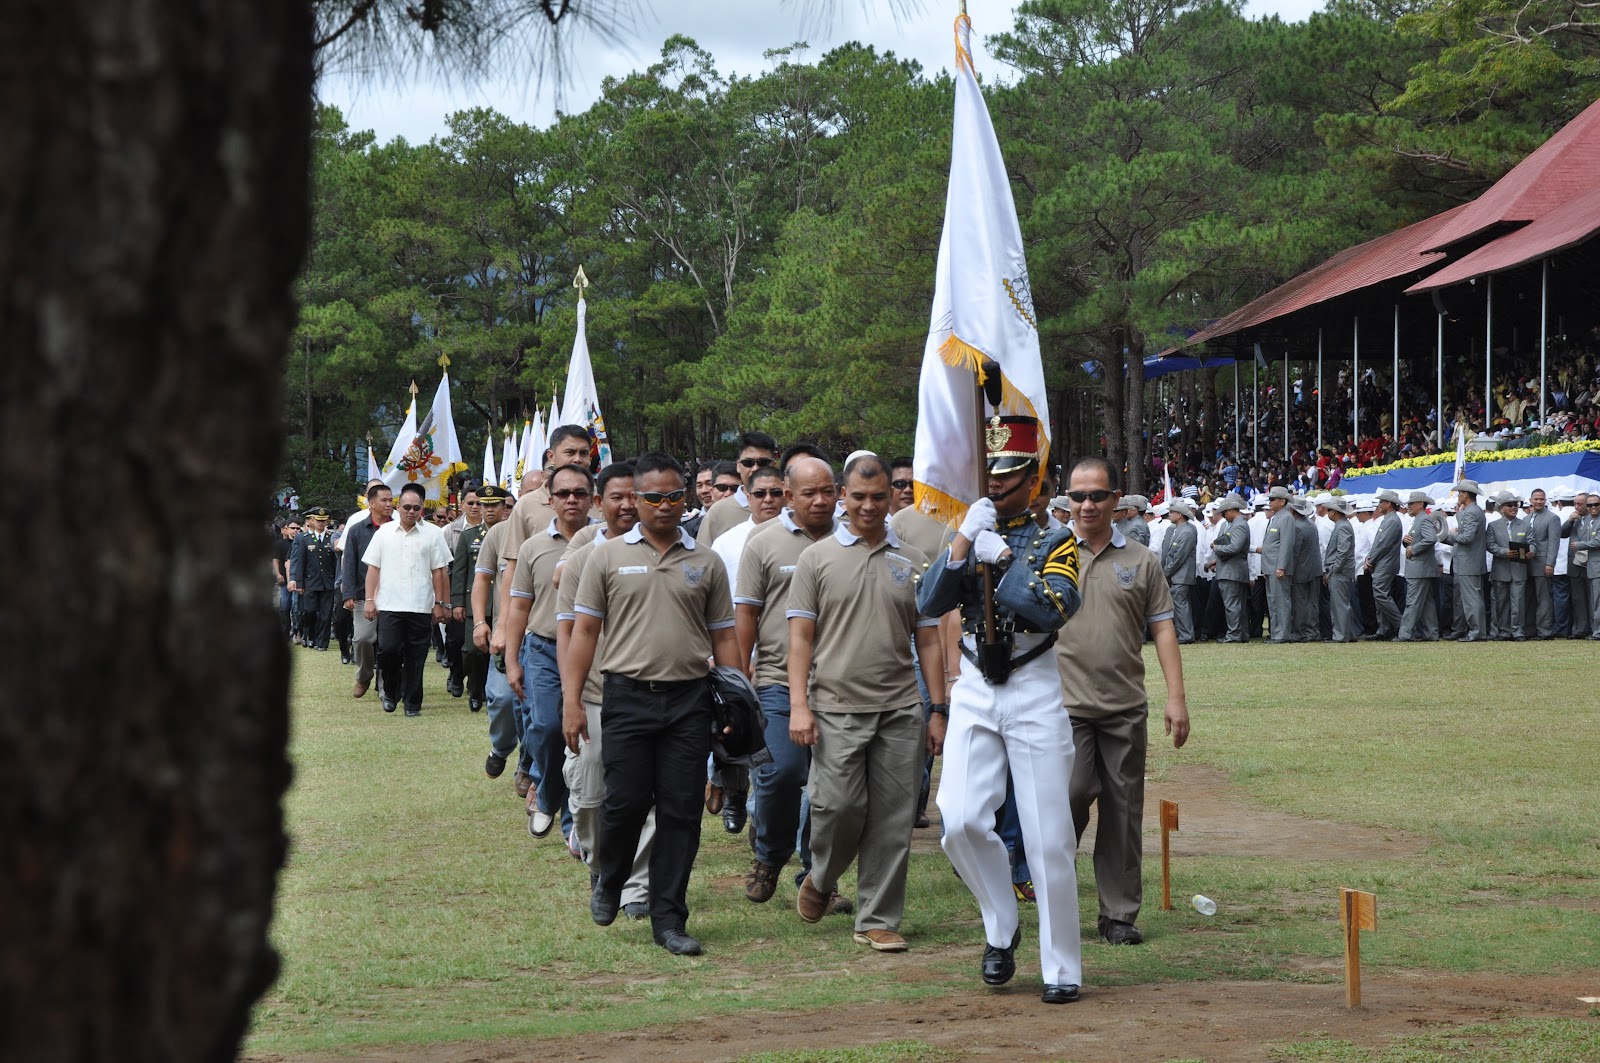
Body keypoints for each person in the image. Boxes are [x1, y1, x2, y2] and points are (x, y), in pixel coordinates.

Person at [914, 416, 1085, 1004]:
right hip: (976, 685)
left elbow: (1055, 606)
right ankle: (1000, 924)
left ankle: (1061, 966)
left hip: (1033, 683)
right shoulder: (970, 527)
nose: (995, 489)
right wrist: (963, 544)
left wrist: (1006, 557)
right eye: (989, 478)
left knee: (1047, 837)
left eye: (1009, 480)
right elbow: (928, 601)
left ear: (1033, 484)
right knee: (957, 819)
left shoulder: (1055, 539)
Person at [567, 453, 741, 956]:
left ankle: (669, 918)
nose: (663, 506)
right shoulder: (606, 556)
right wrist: (572, 702)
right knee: (622, 803)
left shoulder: (705, 561)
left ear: (684, 497)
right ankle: (610, 877)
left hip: (689, 700)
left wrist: (735, 701)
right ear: (633, 500)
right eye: (652, 497)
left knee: (681, 812)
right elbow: (584, 633)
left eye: (672, 496)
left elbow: (724, 636)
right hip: (625, 697)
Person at [787, 454, 944, 955]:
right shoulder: (817, 559)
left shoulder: (914, 560)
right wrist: (799, 705)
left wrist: (937, 708)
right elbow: (799, 642)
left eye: (879, 497)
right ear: (840, 496)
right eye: (858, 497)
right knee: (836, 806)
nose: (869, 506)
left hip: (901, 708)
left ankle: (877, 918)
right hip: (834, 706)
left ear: (893, 497)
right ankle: (822, 876)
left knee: (894, 818)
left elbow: (930, 642)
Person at [1059, 456, 1189, 950]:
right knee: (1068, 797)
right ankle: (1051, 891)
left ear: (1117, 500)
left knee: (1122, 808)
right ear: (1066, 499)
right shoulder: (1049, 553)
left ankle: (1117, 914)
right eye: (1078, 496)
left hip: (1123, 705)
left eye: (1097, 495)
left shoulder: (1140, 560)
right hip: (1063, 706)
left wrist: (1176, 698)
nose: (1087, 505)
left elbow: (1162, 628)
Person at [735, 454, 851, 910]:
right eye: (809, 493)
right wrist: (737, 670)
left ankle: (817, 874)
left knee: (829, 787)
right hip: (777, 680)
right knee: (779, 773)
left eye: (828, 492)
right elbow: (747, 612)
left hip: (841, 683)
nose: (820, 501)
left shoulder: (852, 538)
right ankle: (769, 854)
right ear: (788, 495)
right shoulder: (763, 542)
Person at [556, 461, 655, 922]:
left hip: (653, 696)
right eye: (618, 496)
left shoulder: (670, 555)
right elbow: (568, 634)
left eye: (638, 495)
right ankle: (601, 867)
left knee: (647, 795)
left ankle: (637, 886)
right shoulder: (580, 562)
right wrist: (570, 701)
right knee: (591, 793)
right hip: (596, 694)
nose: (629, 505)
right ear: (601, 503)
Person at [505, 463, 596, 840]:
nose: (571, 500)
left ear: (593, 498)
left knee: (583, 735)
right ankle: (547, 794)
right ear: (550, 499)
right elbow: (519, 607)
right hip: (543, 648)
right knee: (544, 726)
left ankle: (570, 817)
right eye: (563, 494)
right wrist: (512, 660)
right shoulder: (533, 547)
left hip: (592, 651)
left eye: (580, 493)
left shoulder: (605, 542)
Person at [362, 482, 453, 716]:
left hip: (420, 605)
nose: (411, 512)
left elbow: (440, 572)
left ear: (422, 509)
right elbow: (373, 569)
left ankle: (413, 703)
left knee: (416, 656)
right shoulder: (384, 533)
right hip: (390, 604)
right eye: (406, 507)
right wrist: (370, 599)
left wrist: (441, 603)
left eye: (416, 508)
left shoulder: (433, 534)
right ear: (397, 507)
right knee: (388, 651)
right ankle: (390, 692)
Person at [342, 484, 393, 698]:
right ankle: (364, 675)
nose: (389, 504)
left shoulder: (399, 527)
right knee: (363, 638)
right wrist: (348, 594)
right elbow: (349, 563)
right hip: (364, 595)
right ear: (371, 503)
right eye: (384, 500)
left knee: (389, 643)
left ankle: (385, 683)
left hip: (394, 595)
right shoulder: (357, 530)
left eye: (391, 500)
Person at [697, 431, 780, 546]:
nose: (755, 468)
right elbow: (703, 559)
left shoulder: (787, 506)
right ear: (738, 466)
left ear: (774, 465)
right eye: (748, 463)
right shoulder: (718, 512)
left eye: (763, 462)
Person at [1439, 479, 1488, 641]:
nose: (1458, 496)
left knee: (1471, 599)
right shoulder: (1472, 511)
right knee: (1464, 599)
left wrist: (1452, 533)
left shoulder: (1472, 512)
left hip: (1469, 562)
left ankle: (1477, 631)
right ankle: (1463, 628)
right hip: (1467, 561)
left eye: (1460, 493)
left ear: (1465, 494)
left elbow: (1466, 537)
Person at [289, 506, 339, 650]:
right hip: (310, 582)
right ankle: (309, 635)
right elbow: (300, 562)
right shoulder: (304, 539)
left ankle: (322, 642)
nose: (321, 523)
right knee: (309, 611)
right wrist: (299, 582)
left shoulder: (332, 537)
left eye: (324, 520)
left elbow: (336, 563)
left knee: (326, 614)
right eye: (318, 520)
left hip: (328, 582)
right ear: (312, 520)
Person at [1487, 492, 1530, 640]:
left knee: (1518, 602)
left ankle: (1517, 631)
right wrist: (1504, 552)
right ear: (1501, 508)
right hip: (1501, 569)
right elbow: (1490, 545)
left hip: (1519, 569)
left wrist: (1532, 552)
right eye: (1509, 505)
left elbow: (1532, 543)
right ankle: (1503, 631)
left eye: (1515, 505)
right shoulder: (1493, 526)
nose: (1514, 508)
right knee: (1500, 602)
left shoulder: (1524, 524)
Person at [1397, 491, 1439, 642]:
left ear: (1420, 504)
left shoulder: (1424, 520)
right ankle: (1431, 633)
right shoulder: (1419, 520)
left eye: (1411, 504)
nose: (1408, 507)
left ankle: (1405, 634)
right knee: (1427, 604)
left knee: (1413, 602)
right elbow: (1422, 539)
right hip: (1421, 568)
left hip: (1419, 568)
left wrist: (1413, 549)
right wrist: (1406, 541)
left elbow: (1431, 538)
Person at [1255, 486, 1295, 642]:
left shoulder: (1286, 518)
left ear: (1282, 501)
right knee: (1273, 602)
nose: (1269, 502)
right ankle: (1277, 632)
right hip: (1270, 567)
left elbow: (1286, 544)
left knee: (1281, 601)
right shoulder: (1277, 517)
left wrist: (1281, 567)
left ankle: (1282, 634)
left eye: (1272, 499)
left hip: (1277, 567)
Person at [1363, 490, 1403, 640]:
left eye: (1381, 502)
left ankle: (1400, 624)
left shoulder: (1392, 520)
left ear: (1389, 504)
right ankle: (1383, 629)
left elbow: (1383, 544)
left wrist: (1371, 559)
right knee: (1379, 594)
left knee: (1380, 593)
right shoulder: (1388, 519)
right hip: (1382, 562)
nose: (1379, 505)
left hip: (1386, 563)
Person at [1209, 494, 1250, 643]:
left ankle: (1234, 635)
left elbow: (1235, 547)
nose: (1224, 516)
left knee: (1232, 605)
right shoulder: (1237, 524)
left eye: (1225, 512)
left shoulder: (1238, 525)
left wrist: (1217, 547)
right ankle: (1241, 634)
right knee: (1237, 605)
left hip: (1232, 571)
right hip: (1233, 570)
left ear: (1232, 510)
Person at [1160, 499, 1198, 644]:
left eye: (1172, 512)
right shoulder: (1180, 530)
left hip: (1181, 575)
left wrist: (1167, 572)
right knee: (1180, 605)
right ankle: (1183, 633)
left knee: (1181, 605)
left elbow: (1179, 557)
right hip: (1178, 575)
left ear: (1180, 515)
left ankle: (1186, 635)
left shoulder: (1186, 531)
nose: (1169, 515)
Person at [1525, 489, 1561, 639]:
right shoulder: (1526, 519)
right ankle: (1530, 629)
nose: (1539, 501)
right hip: (1527, 564)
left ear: (1545, 500)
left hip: (1543, 563)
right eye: (1536, 499)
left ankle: (1545, 631)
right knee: (1529, 598)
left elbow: (1554, 542)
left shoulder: (1552, 518)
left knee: (1544, 598)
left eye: (1541, 499)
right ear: (1530, 500)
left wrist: (1550, 563)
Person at [1322, 497, 1357, 642]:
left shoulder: (1342, 526)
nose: (1327, 512)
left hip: (1340, 572)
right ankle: (1348, 634)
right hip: (1340, 571)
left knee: (1339, 605)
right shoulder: (1342, 525)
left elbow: (1343, 551)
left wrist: (1334, 569)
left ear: (1335, 512)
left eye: (1329, 510)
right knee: (1341, 604)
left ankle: (1340, 635)